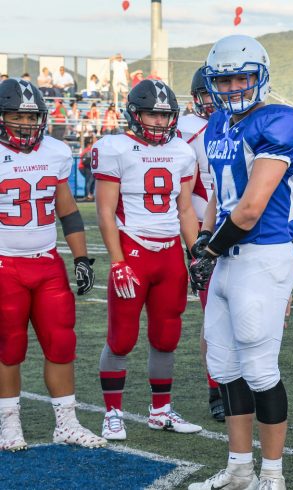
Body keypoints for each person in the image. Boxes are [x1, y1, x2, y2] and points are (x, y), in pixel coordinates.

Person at [187, 34, 293, 490]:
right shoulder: (218, 124)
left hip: (261, 255)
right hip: (228, 256)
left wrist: (210, 250)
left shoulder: (280, 121)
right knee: (224, 365)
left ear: (261, 76)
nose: (235, 87)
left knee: (260, 369)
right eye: (225, 79)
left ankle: (272, 475)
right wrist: (203, 237)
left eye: (243, 77)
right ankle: (240, 469)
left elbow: (252, 207)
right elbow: (221, 190)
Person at [92, 79, 201, 442]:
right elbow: (105, 212)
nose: (158, 122)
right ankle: (112, 413)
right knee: (121, 338)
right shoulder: (115, 148)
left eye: (165, 115)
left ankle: (160, 411)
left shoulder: (182, 152)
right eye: (152, 114)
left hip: (169, 253)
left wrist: (195, 252)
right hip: (133, 249)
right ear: (135, 115)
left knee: (166, 336)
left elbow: (185, 209)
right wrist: (117, 260)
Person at [0, 78, 105, 451]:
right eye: (17, 116)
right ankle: (9, 424)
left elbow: (68, 210)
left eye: (32, 117)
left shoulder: (57, 151)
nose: (26, 125)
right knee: (8, 346)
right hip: (5, 265)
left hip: (46, 264)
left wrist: (81, 258)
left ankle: (67, 423)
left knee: (62, 342)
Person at [177, 66, 222, 422]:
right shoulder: (187, 132)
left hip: (243, 230)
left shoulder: (247, 124)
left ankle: (243, 382)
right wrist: (196, 249)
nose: (215, 99)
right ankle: (215, 387)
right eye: (207, 92)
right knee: (212, 317)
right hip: (203, 232)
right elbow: (185, 197)